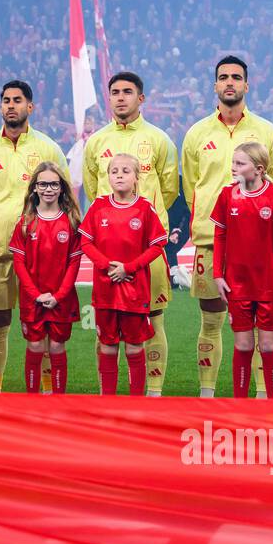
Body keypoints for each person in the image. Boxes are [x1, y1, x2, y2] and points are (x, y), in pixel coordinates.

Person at [181, 56, 273, 398]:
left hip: (259, 250)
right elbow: (189, 189)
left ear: (246, 84)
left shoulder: (268, 132)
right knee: (211, 319)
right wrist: (207, 222)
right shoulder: (197, 133)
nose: (230, 82)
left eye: (236, 77)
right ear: (215, 85)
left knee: (260, 328)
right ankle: (208, 392)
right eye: (223, 77)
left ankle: (261, 396)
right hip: (212, 242)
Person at [83, 72, 178, 396]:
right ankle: (107, 395)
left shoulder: (159, 139)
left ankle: (152, 392)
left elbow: (169, 190)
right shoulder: (95, 142)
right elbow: (92, 187)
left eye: (127, 92)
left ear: (141, 98)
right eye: (114, 92)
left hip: (143, 251)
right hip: (107, 256)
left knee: (152, 319)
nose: (120, 97)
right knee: (106, 329)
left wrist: (137, 225)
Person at [0, 80, 70, 392]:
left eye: (17, 100)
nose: (10, 105)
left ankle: (43, 392)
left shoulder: (48, 148)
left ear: (30, 107)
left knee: (41, 325)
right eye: (5, 100)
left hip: (42, 254)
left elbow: (64, 195)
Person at [210, 143, 273, 399]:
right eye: (233, 162)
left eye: (240, 164)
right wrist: (217, 274)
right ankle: (240, 403)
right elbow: (219, 236)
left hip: (268, 284)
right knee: (243, 345)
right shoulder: (227, 195)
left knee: (269, 345)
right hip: (237, 284)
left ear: (259, 169)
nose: (234, 168)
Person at [79, 154, 169, 396]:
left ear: (137, 177)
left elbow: (157, 245)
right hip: (105, 290)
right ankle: (107, 400)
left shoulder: (144, 208)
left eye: (126, 171)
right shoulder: (98, 206)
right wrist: (107, 266)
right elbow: (85, 242)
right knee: (107, 345)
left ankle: (135, 402)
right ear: (107, 176)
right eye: (114, 171)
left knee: (133, 346)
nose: (119, 175)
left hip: (134, 290)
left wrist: (128, 268)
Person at [9, 162, 83, 394]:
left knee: (57, 346)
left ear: (62, 188)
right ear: (34, 188)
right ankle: (32, 399)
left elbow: (74, 264)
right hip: (33, 299)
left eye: (54, 184)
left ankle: (58, 399)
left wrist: (59, 296)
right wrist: (36, 295)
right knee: (34, 345)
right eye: (43, 184)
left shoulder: (71, 223)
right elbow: (19, 264)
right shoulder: (24, 223)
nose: (48, 188)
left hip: (62, 299)